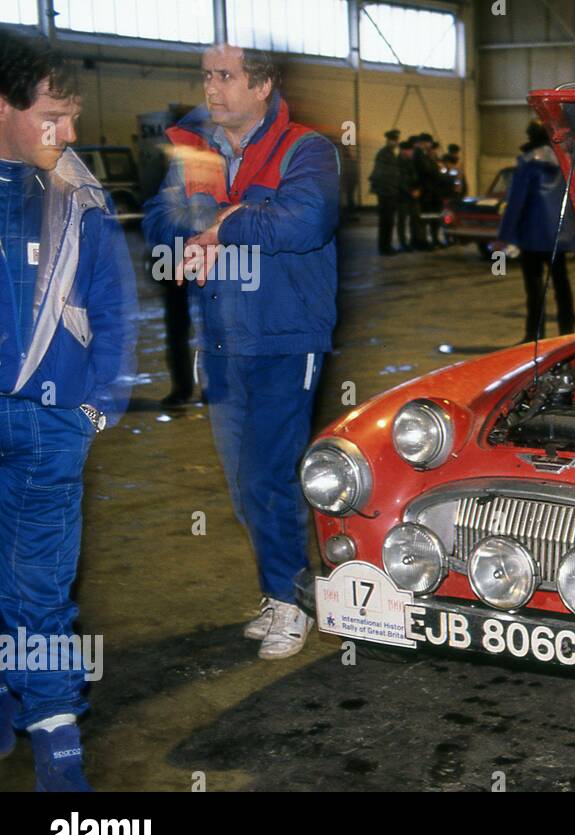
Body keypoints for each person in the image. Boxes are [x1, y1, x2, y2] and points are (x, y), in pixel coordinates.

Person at [143, 43, 339, 658]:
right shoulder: (196, 152)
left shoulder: (306, 150)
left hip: (285, 337)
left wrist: (221, 225)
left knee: (267, 473)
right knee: (241, 480)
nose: (211, 89)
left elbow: (304, 221)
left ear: (262, 86)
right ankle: (278, 587)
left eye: (225, 77)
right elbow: (157, 221)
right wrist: (197, 230)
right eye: (206, 76)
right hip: (224, 338)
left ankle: (290, 598)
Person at [0, 29, 137, 790]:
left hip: (49, 427)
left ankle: (57, 743)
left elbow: (117, 307)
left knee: (40, 590)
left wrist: (94, 410)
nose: (73, 132)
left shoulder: (78, 193)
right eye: (55, 112)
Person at [496, 120, 575, 342]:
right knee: (562, 285)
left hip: (531, 235)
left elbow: (516, 203)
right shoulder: (565, 161)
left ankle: (534, 334)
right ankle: (567, 332)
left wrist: (503, 236)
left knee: (534, 288)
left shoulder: (528, 163)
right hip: (558, 236)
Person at [369, 128, 401, 255]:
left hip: (390, 192)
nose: (395, 142)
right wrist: (389, 189)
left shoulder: (389, 153)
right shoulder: (384, 154)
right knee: (386, 221)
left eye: (396, 140)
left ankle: (387, 245)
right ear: (389, 140)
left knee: (389, 221)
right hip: (386, 193)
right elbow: (381, 174)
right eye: (393, 140)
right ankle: (384, 247)